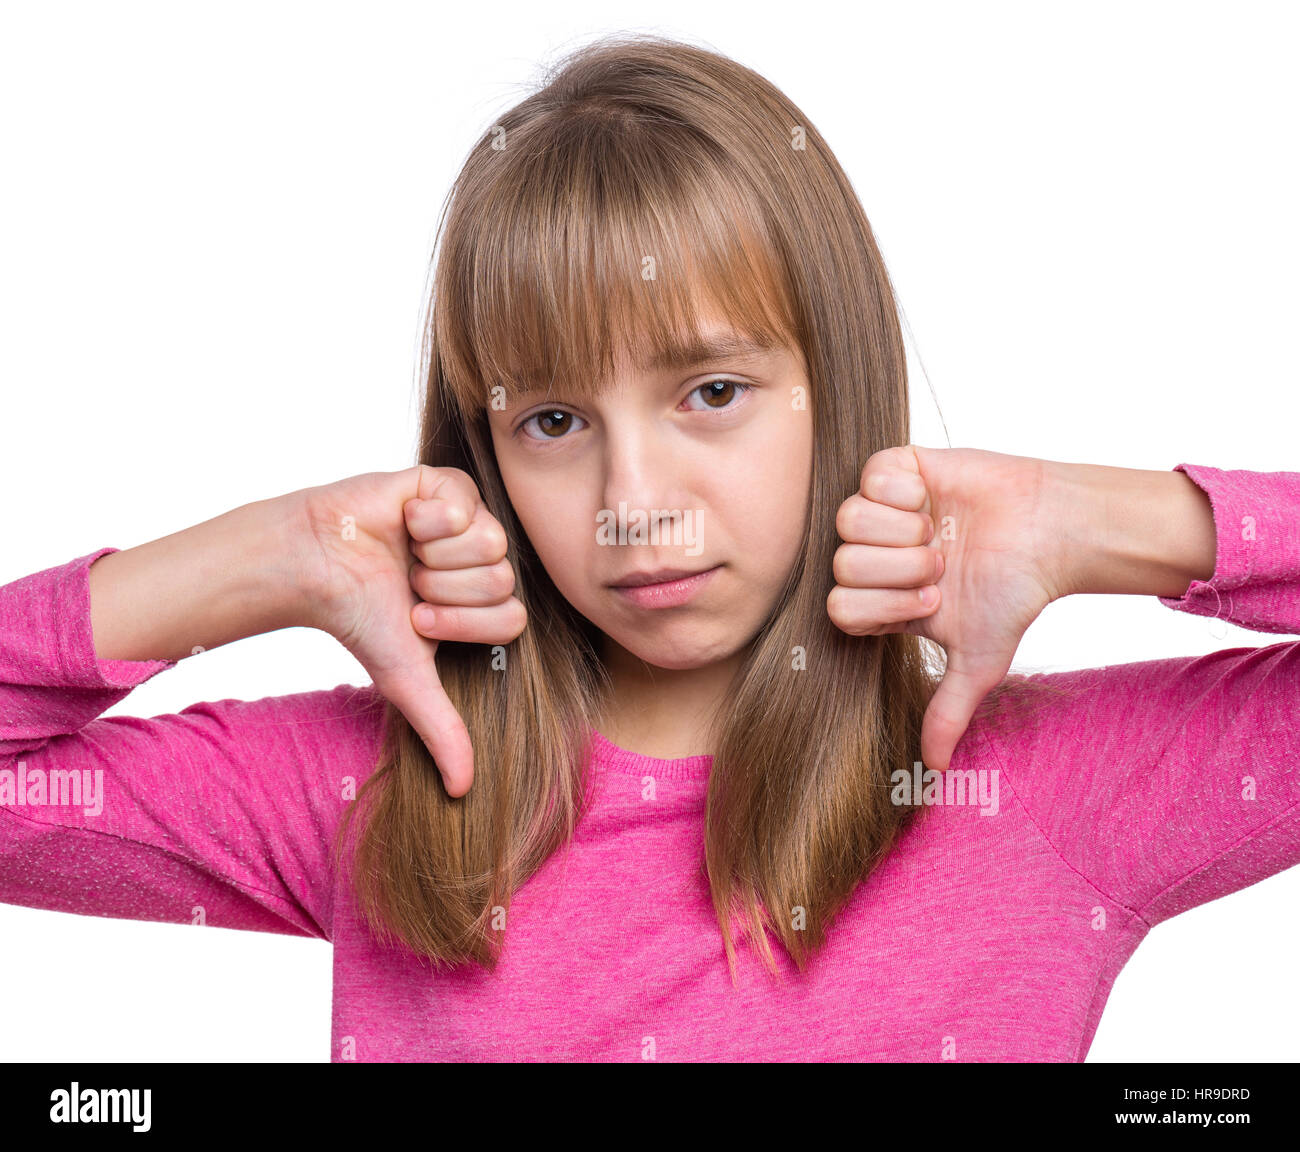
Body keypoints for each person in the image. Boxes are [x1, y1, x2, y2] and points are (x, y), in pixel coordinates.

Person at [1, 33, 1296, 1062]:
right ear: (485, 457)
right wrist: (260, 560)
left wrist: (1137, 524)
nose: (632, 503)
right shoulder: (383, 799)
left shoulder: (1054, 792)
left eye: (711, 393)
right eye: (554, 420)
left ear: (835, 384)